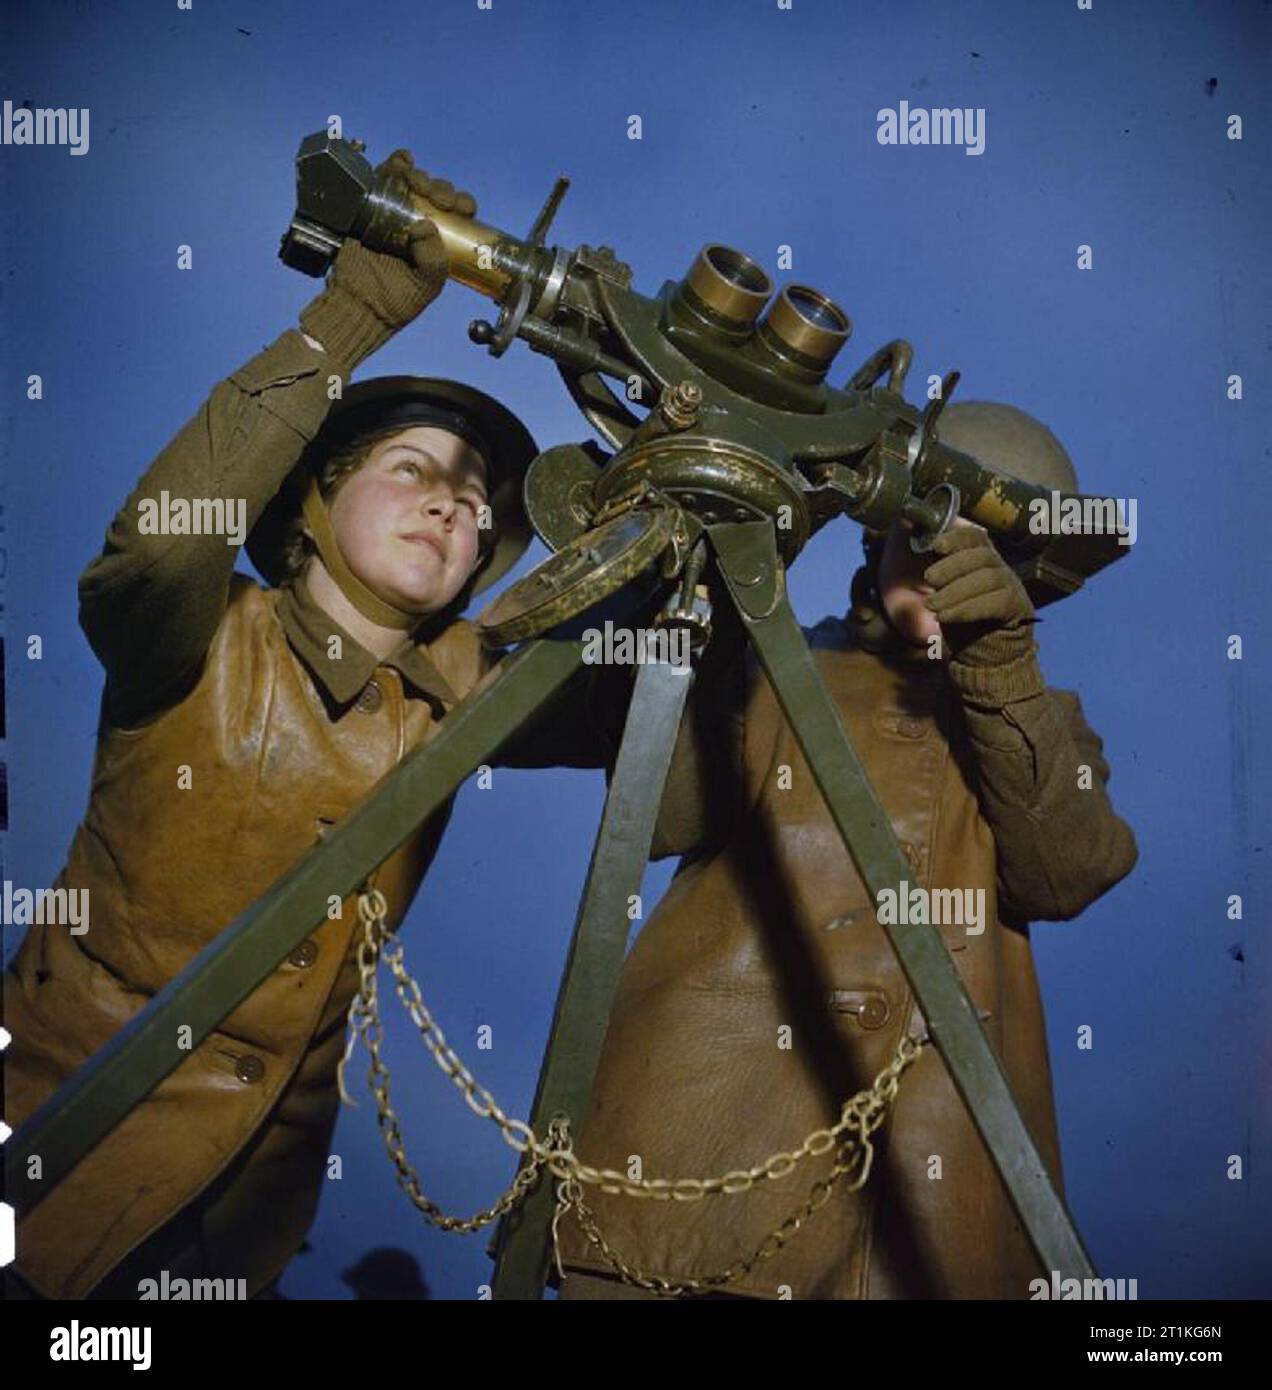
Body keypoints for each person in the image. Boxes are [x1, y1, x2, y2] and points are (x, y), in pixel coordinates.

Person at [1, 149, 565, 1301]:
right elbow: (161, 543)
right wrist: (346, 318)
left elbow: (662, 708)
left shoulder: (466, 689)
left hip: (239, 1231)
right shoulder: (200, 635)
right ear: (310, 496)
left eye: (475, 501)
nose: (455, 500)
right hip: (51, 1156)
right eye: (415, 468)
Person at [553, 401, 1139, 1300]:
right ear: (881, 532)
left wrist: (1001, 667)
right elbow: (662, 816)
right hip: (691, 1181)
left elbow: (1069, 869)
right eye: (934, 525)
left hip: (929, 1214)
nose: (953, 561)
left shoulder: (1044, 722)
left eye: (992, 547)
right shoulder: (768, 664)